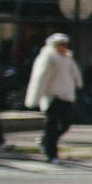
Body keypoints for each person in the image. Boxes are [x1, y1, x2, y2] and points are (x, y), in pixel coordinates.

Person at [25, 32, 82, 163]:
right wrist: (36, 97)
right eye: (61, 45)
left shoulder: (68, 58)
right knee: (51, 126)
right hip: (52, 96)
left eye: (65, 45)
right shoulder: (48, 58)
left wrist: (78, 83)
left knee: (67, 123)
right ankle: (51, 154)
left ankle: (45, 141)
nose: (64, 47)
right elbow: (40, 77)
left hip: (66, 96)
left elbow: (75, 73)